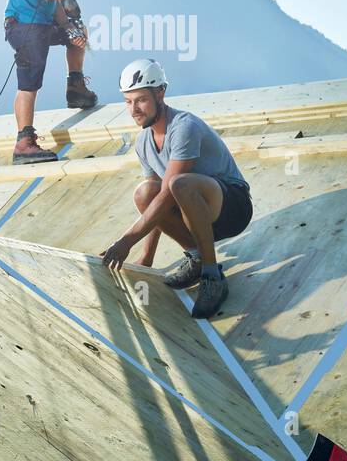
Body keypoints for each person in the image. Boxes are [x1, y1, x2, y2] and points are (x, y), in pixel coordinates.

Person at [100, 58, 253, 320]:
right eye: (128, 102)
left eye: (141, 100)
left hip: (231, 206)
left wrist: (126, 241)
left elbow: (170, 193)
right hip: (194, 214)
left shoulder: (184, 126)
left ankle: (211, 274)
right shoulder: (143, 142)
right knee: (145, 191)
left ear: (160, 93)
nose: (134, 109)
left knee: (178, 183)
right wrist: (146, 257)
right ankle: (195, 257)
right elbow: (156, 199)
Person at [1, 0, 97, 164]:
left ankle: (75, 87)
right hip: (22, 24)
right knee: (30, 79)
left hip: (43, 24)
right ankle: (24, 142)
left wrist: (68, 26)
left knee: (79, 33)